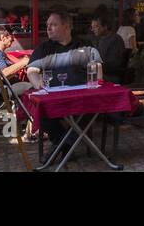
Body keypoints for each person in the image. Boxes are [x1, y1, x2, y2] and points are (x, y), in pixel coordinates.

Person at [27, 11, 102, 146]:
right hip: (54, 99)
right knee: (42, 114)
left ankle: (61, 147)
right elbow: (31, 71)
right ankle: (66, 145)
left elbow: (98, 71)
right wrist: (39, 85)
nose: (48, 28)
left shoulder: (85, 46)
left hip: (82, 99)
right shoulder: (44, 48)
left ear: (66, 27)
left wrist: (94, 85)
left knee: (91, 108)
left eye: (53, 25)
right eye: (47, 25)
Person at [90, 13, 127, 83]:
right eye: (92, 27)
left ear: (105, 26)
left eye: (96, 27)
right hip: (102, 72)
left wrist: (92, 65)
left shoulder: (115, 40)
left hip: (111, 76)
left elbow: (113, 65)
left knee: (84, 77)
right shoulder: (99, 39)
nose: (92, 29)